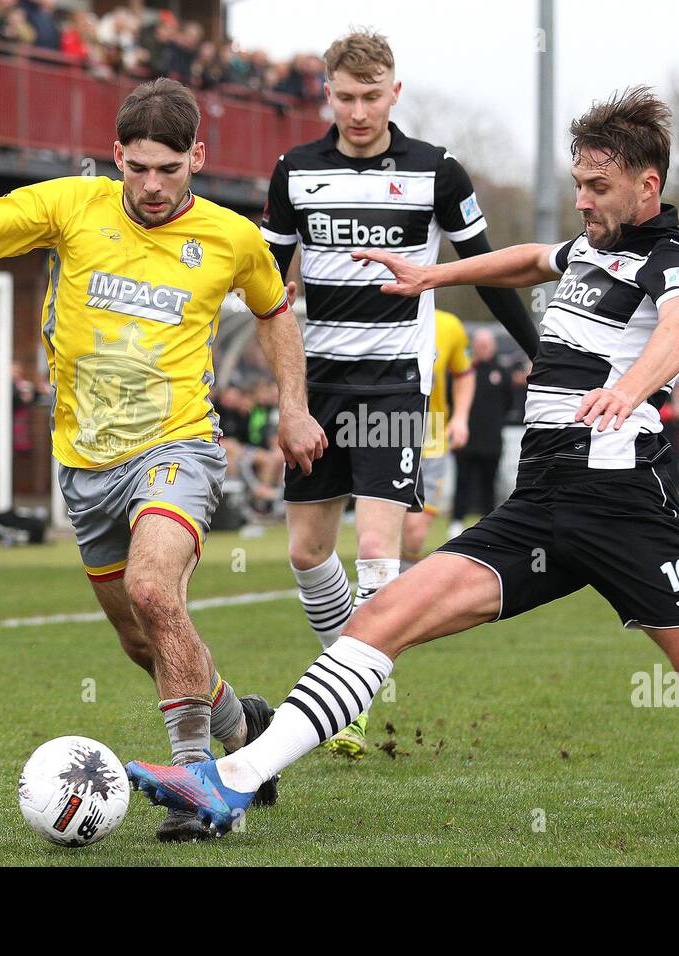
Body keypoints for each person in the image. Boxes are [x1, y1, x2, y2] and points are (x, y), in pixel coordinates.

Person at [127, 87, 679, 835]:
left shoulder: (678, 257)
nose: (583, 201)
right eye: (578, 184)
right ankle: (230, 782)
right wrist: (437, 272)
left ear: (647, 186)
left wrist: (632, 390)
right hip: (542, 500)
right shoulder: (588, 247)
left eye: (599, 187)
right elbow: (527, 259)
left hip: (624, 507)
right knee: (383, 617)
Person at [0, 78, 326, 843]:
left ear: (198, 156)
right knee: (140, 639)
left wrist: (293, 407)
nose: (152, 187)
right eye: (138, 168)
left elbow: (274, 312)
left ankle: (198, 784)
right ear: (115, 155)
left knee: (156, 590)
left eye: (170, 169)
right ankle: (242, 722)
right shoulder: (70, 204)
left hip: (177, 446)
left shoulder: (232, 237)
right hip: (85, 465)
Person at [257, 29, 539, 758]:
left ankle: (342, 702)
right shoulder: (294, 172)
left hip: (392, 388)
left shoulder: (437, 172)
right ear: (327, 94)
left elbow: (488, 269)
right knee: (307, 551)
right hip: (317, 387)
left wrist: (544, 351)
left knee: (377, 547)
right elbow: (263, 285)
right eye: (345, 97)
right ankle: (347, 677)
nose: (358, 111)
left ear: (395, 92)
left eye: (371, 96)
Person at [401, 309, 472, 570]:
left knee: (414, 532)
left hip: (432, 436)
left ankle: (399, 595)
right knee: (383, 527)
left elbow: (465, 373)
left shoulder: (449, 324)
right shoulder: (378, 316)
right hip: (387, 432)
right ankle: (382, 593)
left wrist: (461, 417)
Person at [449, 326, 509, 535]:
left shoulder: (502, 372)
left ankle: (489, 526)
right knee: (462, 481)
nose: (483, 348)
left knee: (489, 486)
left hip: (492, 441)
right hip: (465, 440)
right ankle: (456, 523)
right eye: (479, 345)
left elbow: (509, 403)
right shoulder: (465, 372)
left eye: (487, 345)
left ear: (493, 347)